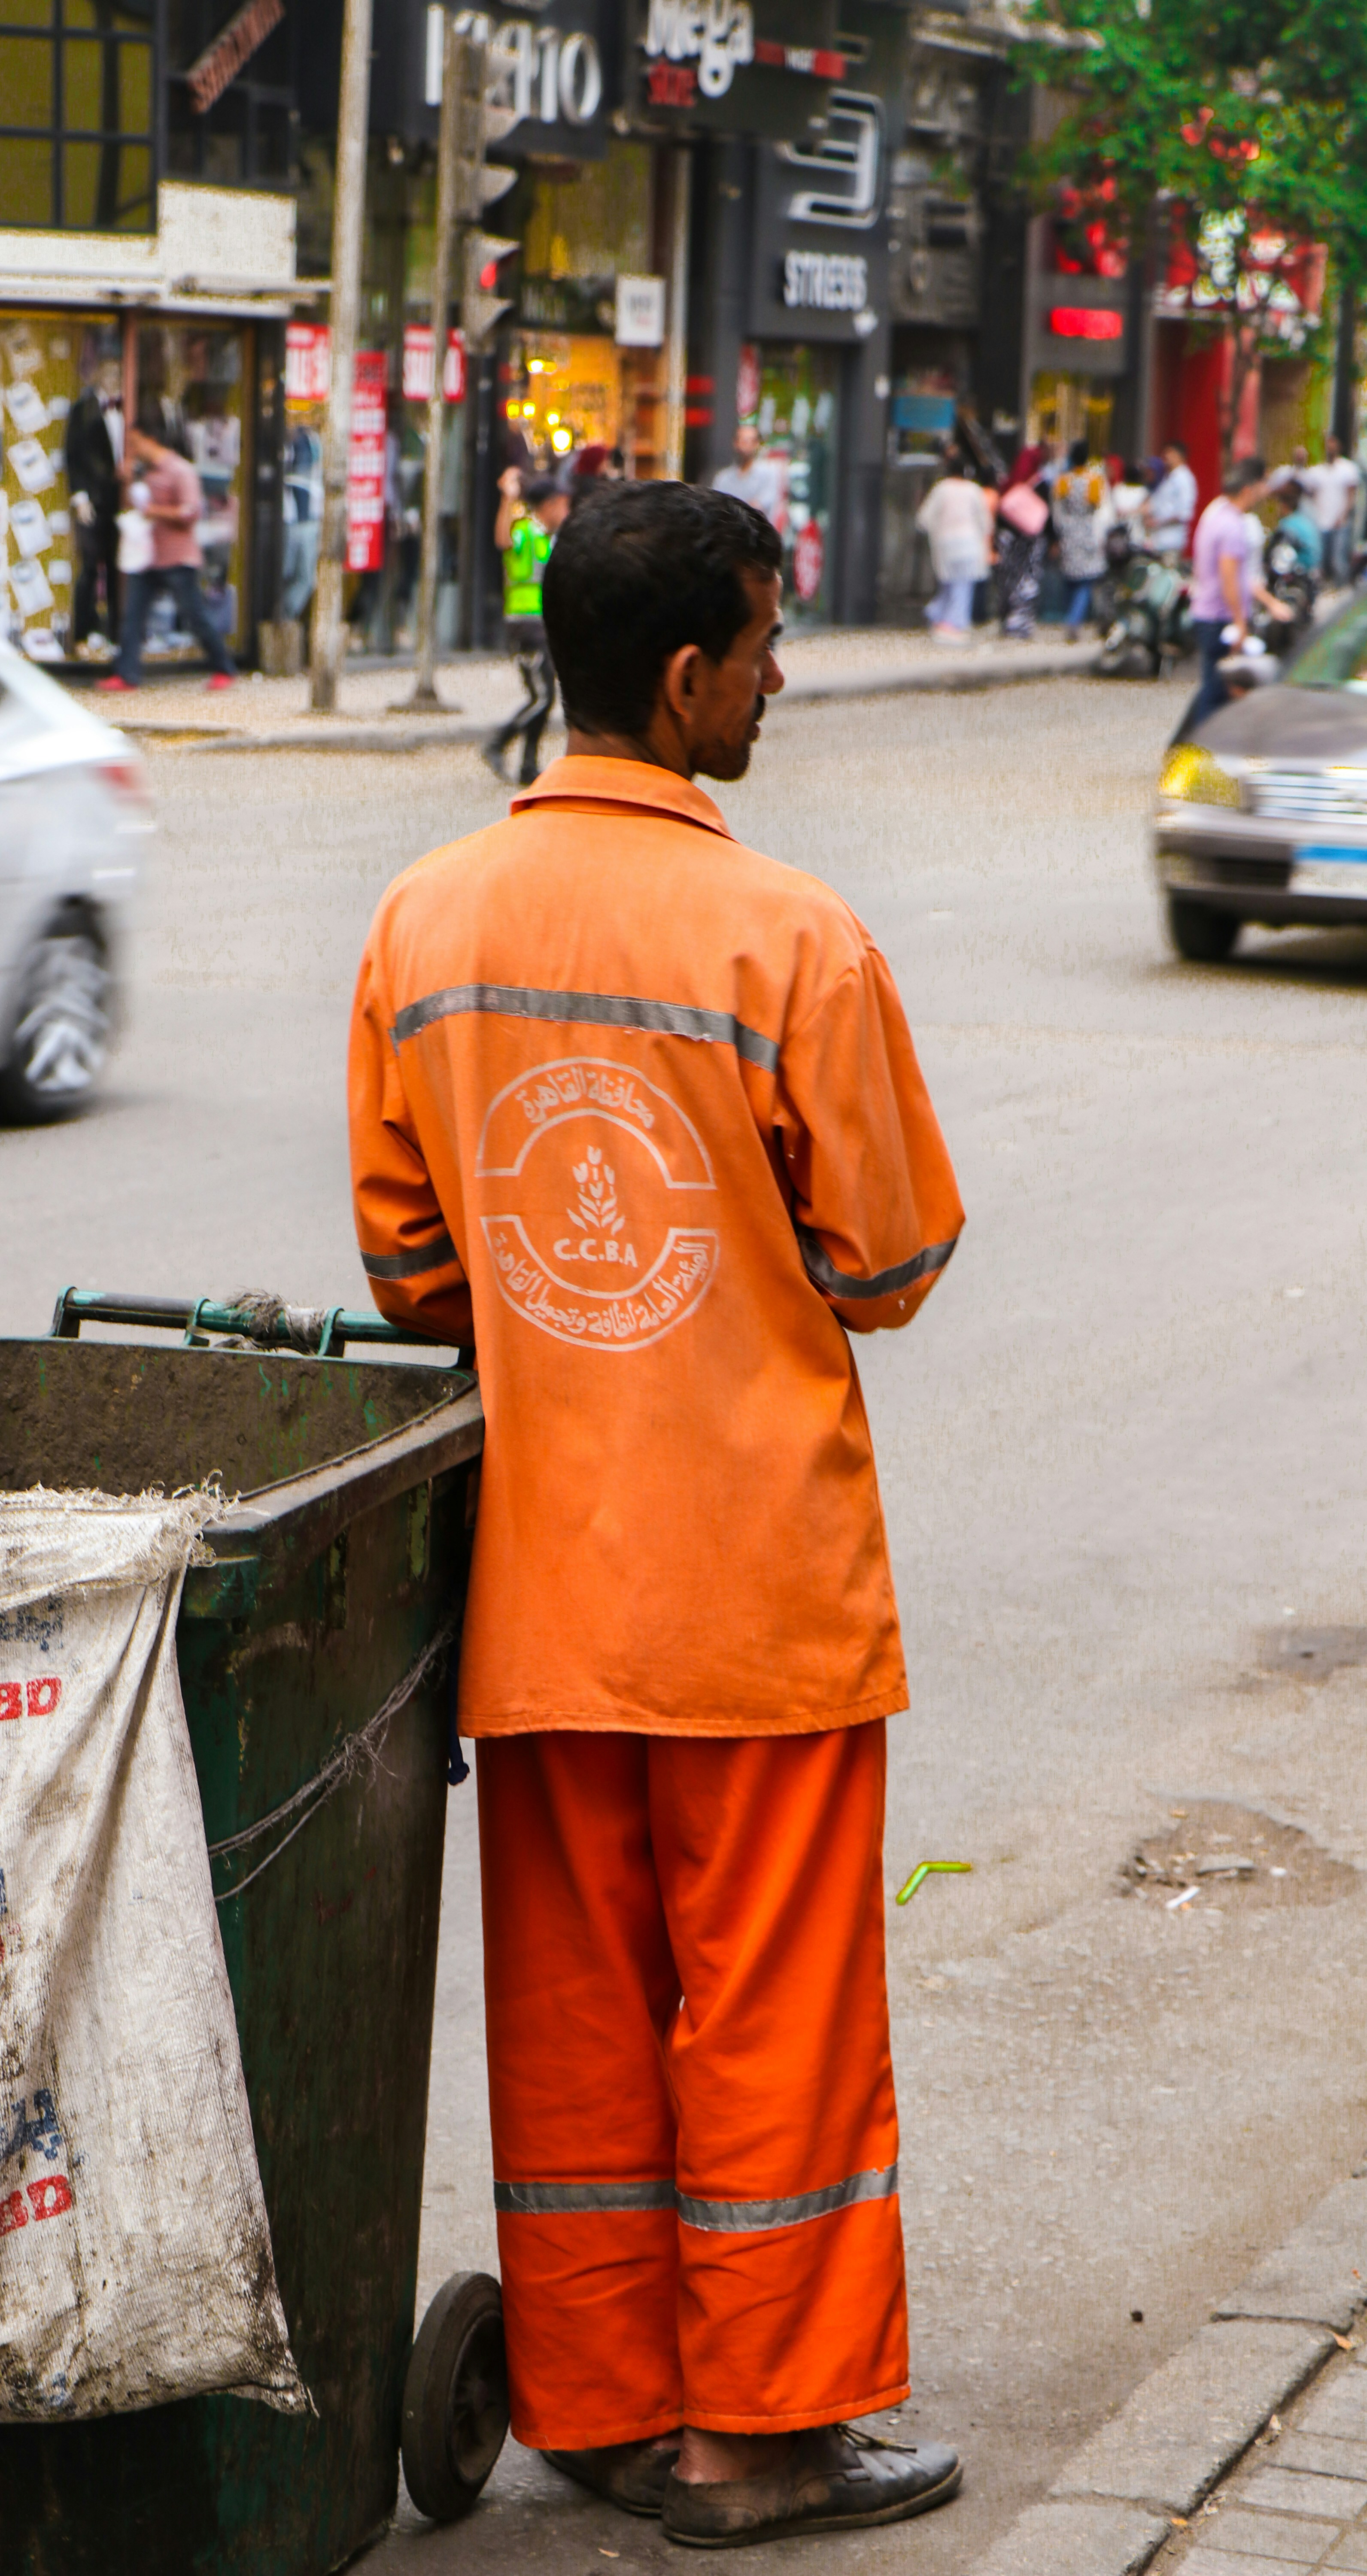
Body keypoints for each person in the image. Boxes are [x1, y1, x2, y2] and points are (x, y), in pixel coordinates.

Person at [348, 479, 965, 2552]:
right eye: (769, 646)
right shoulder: (788, 936)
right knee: (768, 2015)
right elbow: (882, 1261)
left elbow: (414, 1270)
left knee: (582, 2008)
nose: (782, 678)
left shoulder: (425, 922)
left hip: (534, 1589)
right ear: (687, 676)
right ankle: (759, 2435)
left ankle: (605, 2400)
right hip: (754, 1595)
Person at [96, 409, 236, 695]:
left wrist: (154, 511)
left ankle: (224, 667)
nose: (134, 450)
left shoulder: (180, 470)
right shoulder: (147, 473)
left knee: (195, 615)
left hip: (179, 558)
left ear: (151, 440)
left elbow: (191, 511)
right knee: (133, 615)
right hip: (150, 557)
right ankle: (127, 674)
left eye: (136, 443)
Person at [1176, 454, 1273, 739]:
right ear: (1248, 489)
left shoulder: (1216, 515)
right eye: (1262, 485)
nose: (1264, 492)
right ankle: (1197, 750)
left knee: (1217, 688)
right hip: (1220, 618)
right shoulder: (1232, 526)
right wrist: (1240, 622)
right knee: (1216, 691)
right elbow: (1230, 577)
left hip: (1208, 613)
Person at [483, 468, 568, 786]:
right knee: (543, 697)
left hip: (536, 622)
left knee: (541, 696)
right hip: (526, 624)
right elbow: (504, 540)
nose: (566, 511)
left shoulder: (544, 536)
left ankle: (528, 766)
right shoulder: (529, 531)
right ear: (549, 506)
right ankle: (498, 743)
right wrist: (508, 498)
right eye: (562, 504)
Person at [64, 358, 126, 654]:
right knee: (89, 567)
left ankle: (115, 633)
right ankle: (82, 634)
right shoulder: (82, 409)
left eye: (119, 373)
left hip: (121, 501)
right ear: (100, 374)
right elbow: (72, 455)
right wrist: (79, 497)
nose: (115, 378)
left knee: (117, 566)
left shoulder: (128, 408)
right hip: (92, 499)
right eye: (111, 372)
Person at [915, 449, 992, 640]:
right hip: (969, 542)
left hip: (945, 544)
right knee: (963, 586)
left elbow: (924, 519)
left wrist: (937, 531)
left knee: (949, 584)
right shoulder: (974, 490)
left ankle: (938, 615)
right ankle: (952, 624)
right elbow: (985, 521)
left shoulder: (942, 488)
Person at [1050, 439, 1109, 638]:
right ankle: (1075, 620)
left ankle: (1072, 617)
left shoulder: (1063, 481)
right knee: (1086, 581)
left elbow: (1057, 511)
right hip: (1088, 532)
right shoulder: (1094, 480)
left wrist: (1061, 533)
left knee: (1071, 579)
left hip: (1068, 533)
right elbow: (1098, 507)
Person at [994, 450, 1049, 641]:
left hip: (1008, 542)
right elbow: (1047, 517)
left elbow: (1000, 514)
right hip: (1031, 543)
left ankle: (1008, 622)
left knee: (1009, 583)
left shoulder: (1009, 484)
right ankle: (1021, 626)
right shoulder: (1040, 483)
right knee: (1028, 583)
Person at [1303, 433, 1361, 586]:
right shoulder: (1318, 472)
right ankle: (1323, 587)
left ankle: (1342, 586)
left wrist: (1344, 515)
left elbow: (1351, 495)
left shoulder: (1347, 469)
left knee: (1338, 558)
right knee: (1321, 557)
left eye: (1333, 444)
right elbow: (1310, 493)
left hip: (1340, 521)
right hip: (1321, 521)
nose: (1330, 448)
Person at [711, 422, 784, 528]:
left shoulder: (769, 474)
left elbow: (760, 507)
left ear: (757, 444)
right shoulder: (723, 478)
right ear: (735, 443)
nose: (747, 445)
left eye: (752, 441)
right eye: (743, 441)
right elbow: (715, 508)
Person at [1142, 440, 1197, 561]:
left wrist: (1158, 522)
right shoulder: (1169, 477)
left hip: (1171, 542)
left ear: (1179, 455)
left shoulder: (1184, 478)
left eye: (1169, 453)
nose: (1165, 456)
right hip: (1159, 541)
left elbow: (1184, 513)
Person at [1271, 483, 1323, 577]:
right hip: (1315, 566)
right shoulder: (1304, 520)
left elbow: (1283, 548)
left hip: (1302, 566)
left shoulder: (1288, 524)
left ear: (1283, 505)